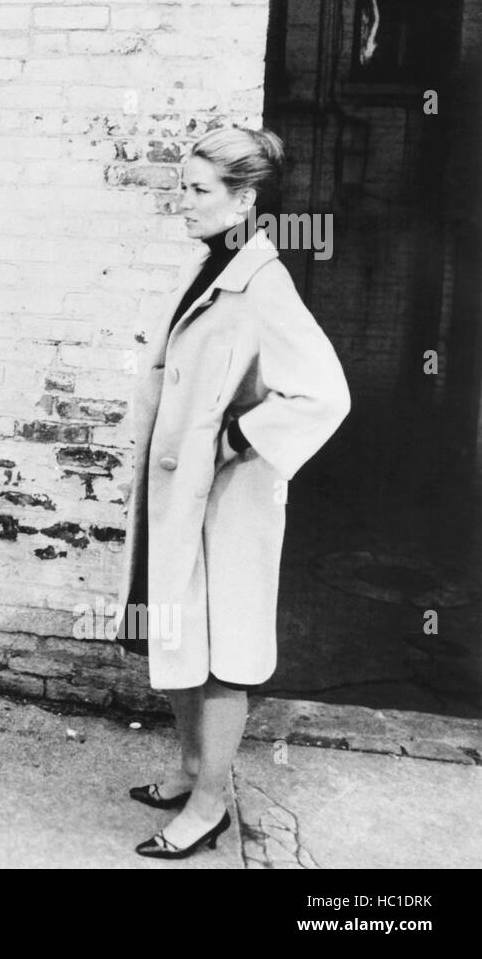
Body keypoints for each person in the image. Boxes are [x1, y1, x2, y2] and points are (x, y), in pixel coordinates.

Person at [117, 127, 350, 859]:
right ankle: (192, 770)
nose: (180, 201)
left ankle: (212, 802)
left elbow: (324, 391)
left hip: (227, 502)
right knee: (180, 632)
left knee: (222, 653)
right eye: (181, 186)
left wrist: (236, 438)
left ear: (244, 199)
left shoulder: (262, 282)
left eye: (197, 190)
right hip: (178, 492)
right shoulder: (210, 264)